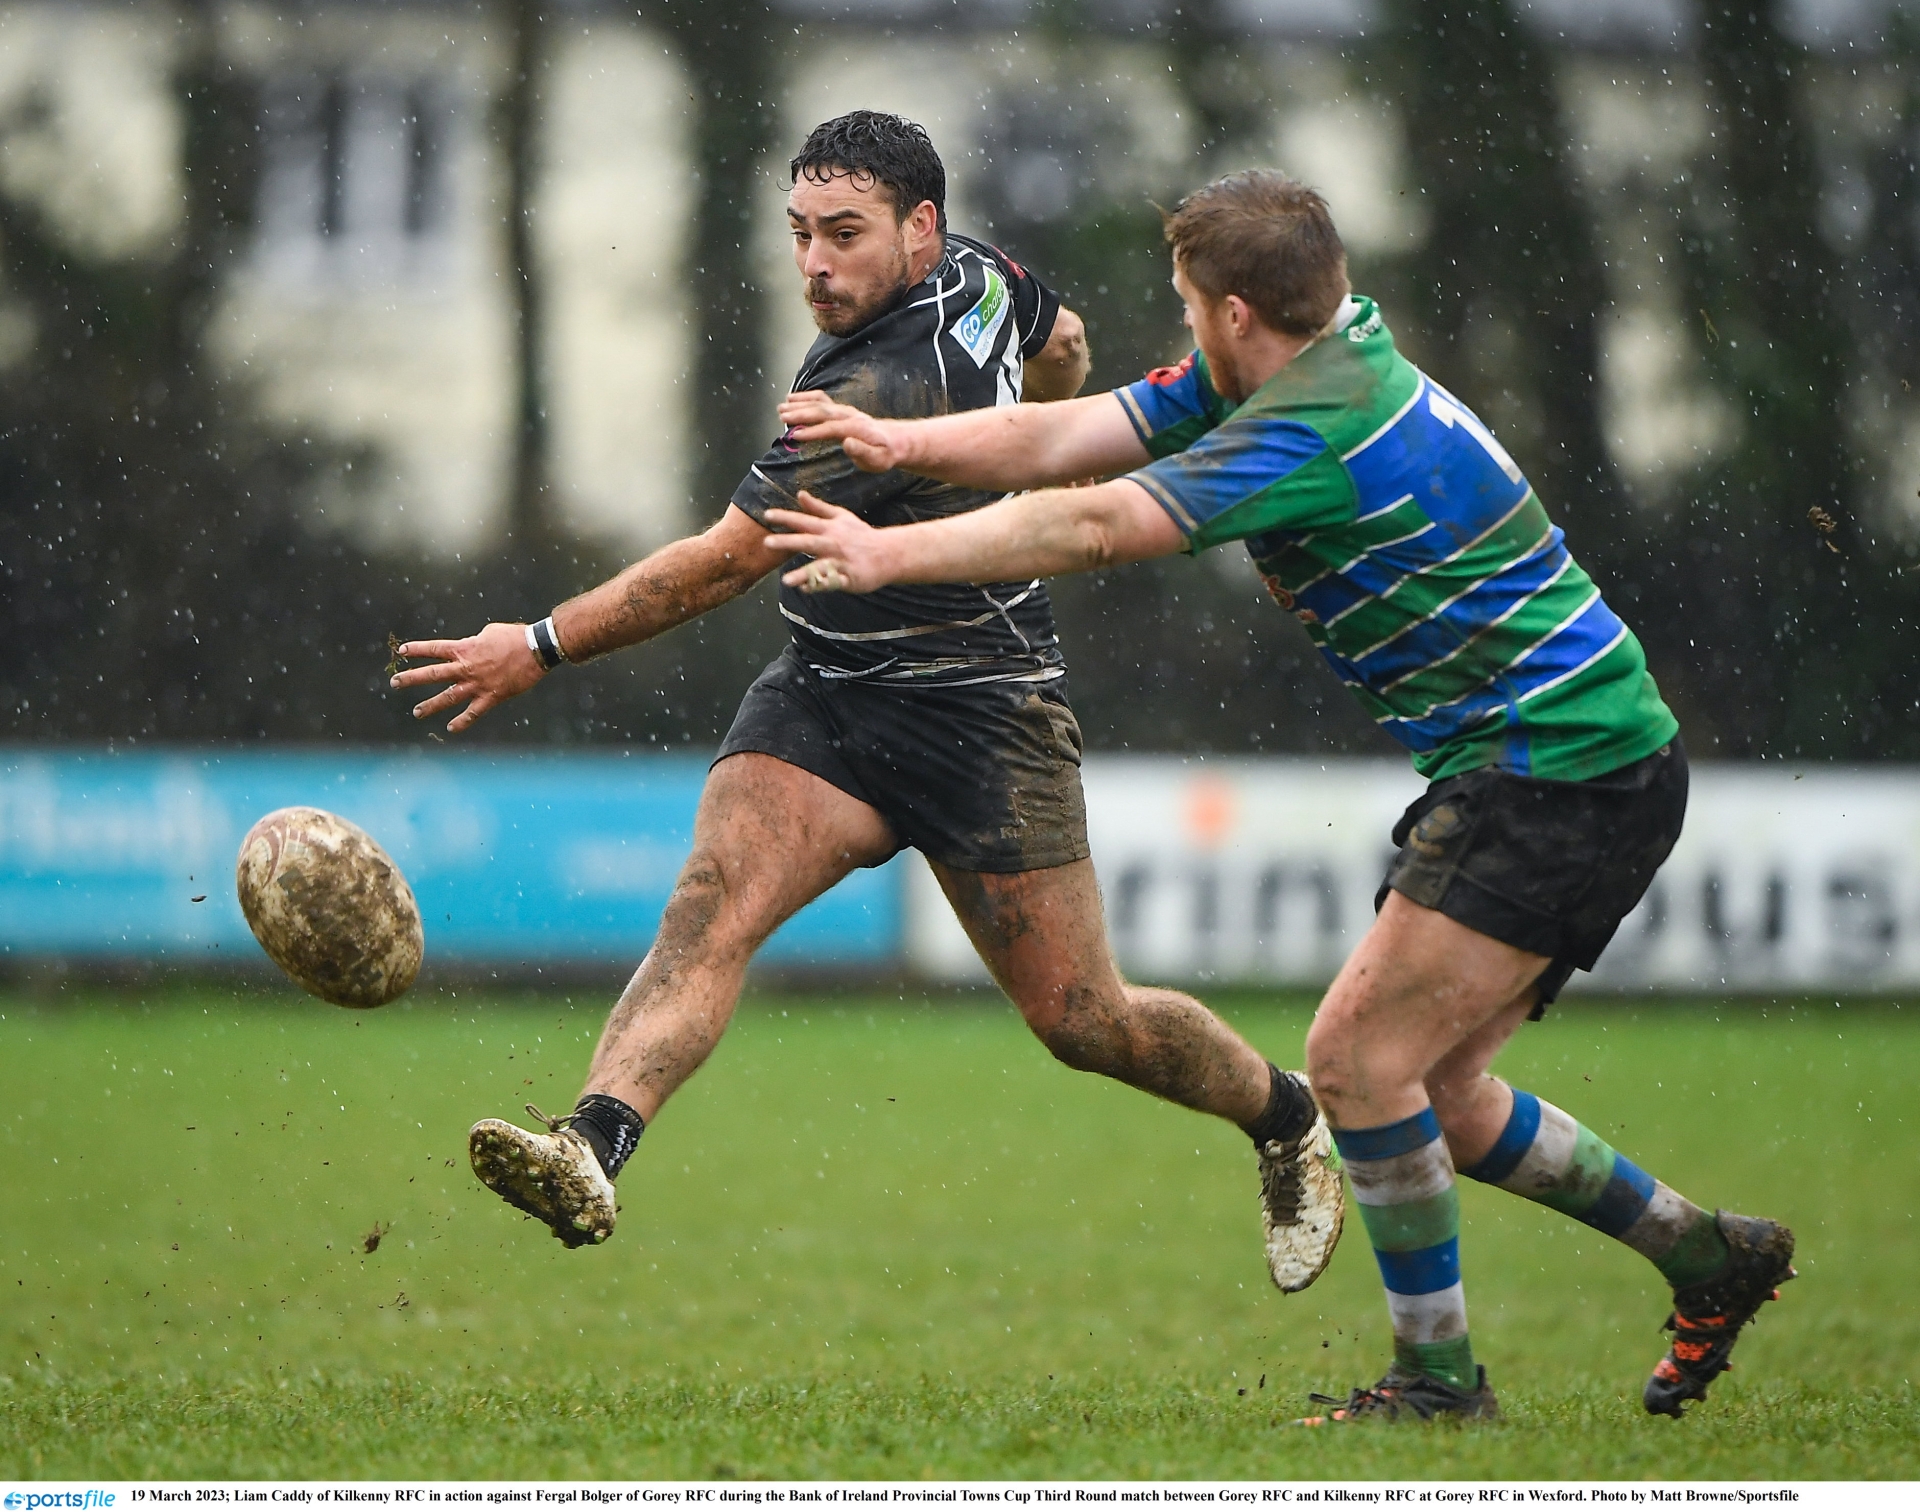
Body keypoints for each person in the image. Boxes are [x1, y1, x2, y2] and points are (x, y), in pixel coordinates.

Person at [764, 168, 1795, 1424]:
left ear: (1235, 311)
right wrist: (900, 443)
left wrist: (889, 550)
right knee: (1438, 1095)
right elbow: (1063, 434)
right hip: (1571, 757)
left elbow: (1094, 527)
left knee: (1357, 1062)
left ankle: (1437, 1386)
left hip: (1558, 767)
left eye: (1188, 302)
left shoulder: (1314, 427)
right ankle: (1709, 1255)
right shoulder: (1314, 358)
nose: (1183, 323)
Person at [389, 117, 1343, 1295]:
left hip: (984, 717)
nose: (814, 265)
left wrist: (539, 643)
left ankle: (1286, 1117)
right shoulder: (985, 273)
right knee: (711, 905)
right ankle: (591, 1145)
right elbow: (1068, 341)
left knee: (1088, 1021)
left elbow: (721, 562)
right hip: (832, 695)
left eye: (845, 236)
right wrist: (1046, 436)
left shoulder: (873, 387)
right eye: (800, 234)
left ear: (919, 229)